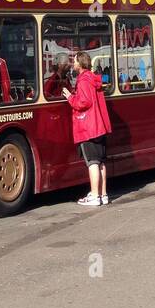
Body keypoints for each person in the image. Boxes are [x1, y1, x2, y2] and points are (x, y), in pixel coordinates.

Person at [63, 50, 111, 208]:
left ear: (80, 63)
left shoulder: (83, 80)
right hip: (99, 126)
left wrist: (70, 97)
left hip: (88, 127)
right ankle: (103, 194)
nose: (73, 63)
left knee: (92, 162)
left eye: (75, 61)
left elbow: (84, 102)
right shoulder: (93, 78)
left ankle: (95, 196)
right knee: (101, 162)